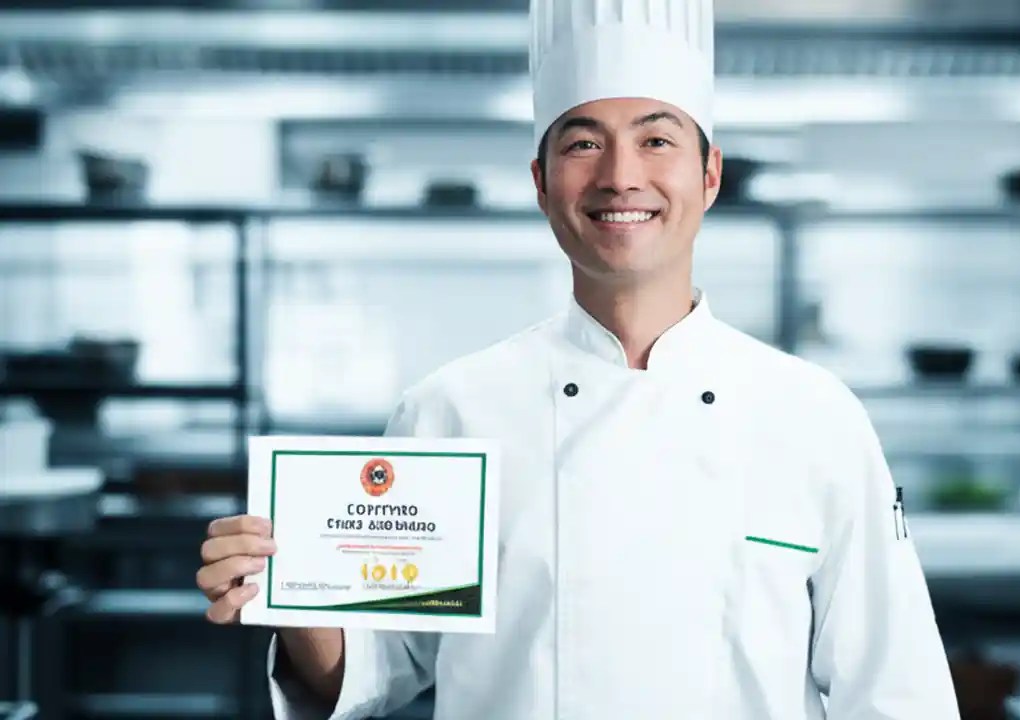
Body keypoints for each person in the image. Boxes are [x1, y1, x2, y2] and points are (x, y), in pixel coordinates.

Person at [196, 0, 962, 717]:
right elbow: (373, 670)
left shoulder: (814, 416)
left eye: (656, 139)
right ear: (540, 182)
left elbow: (898, 693)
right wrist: (293, 590)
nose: (620, 175)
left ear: (710, 175)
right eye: (584, 142)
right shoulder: (453, 409)